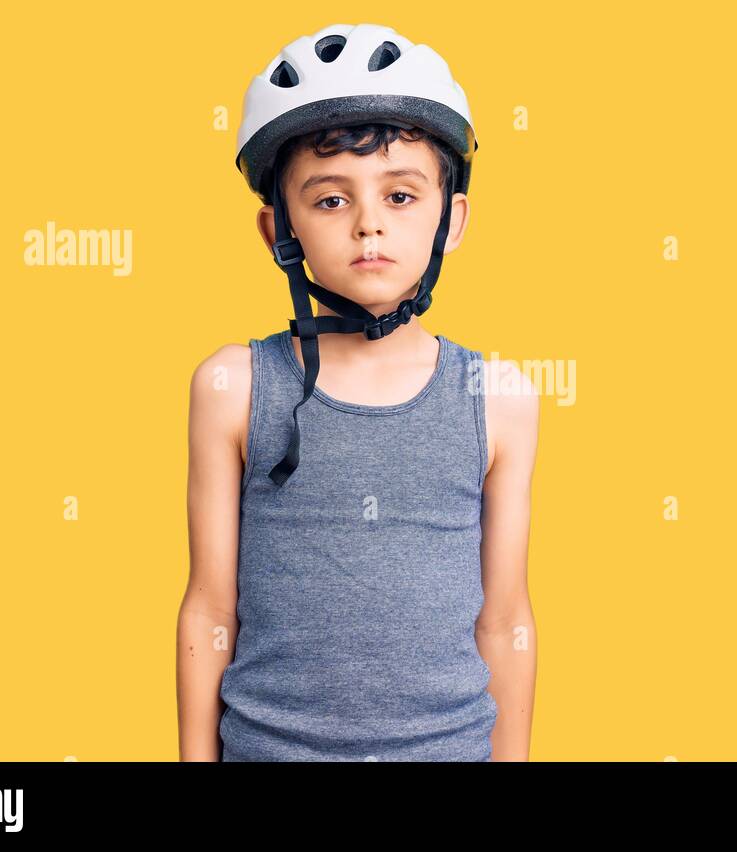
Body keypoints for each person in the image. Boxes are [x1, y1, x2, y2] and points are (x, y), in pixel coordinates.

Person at [176, 22, 538, 761]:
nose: (369, 222)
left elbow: (504, 622)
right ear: (279, 229)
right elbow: (209, 608)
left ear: (452, 219)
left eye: (401, 195)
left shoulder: (497, 396)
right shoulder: (234, 386)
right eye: (331, 201)